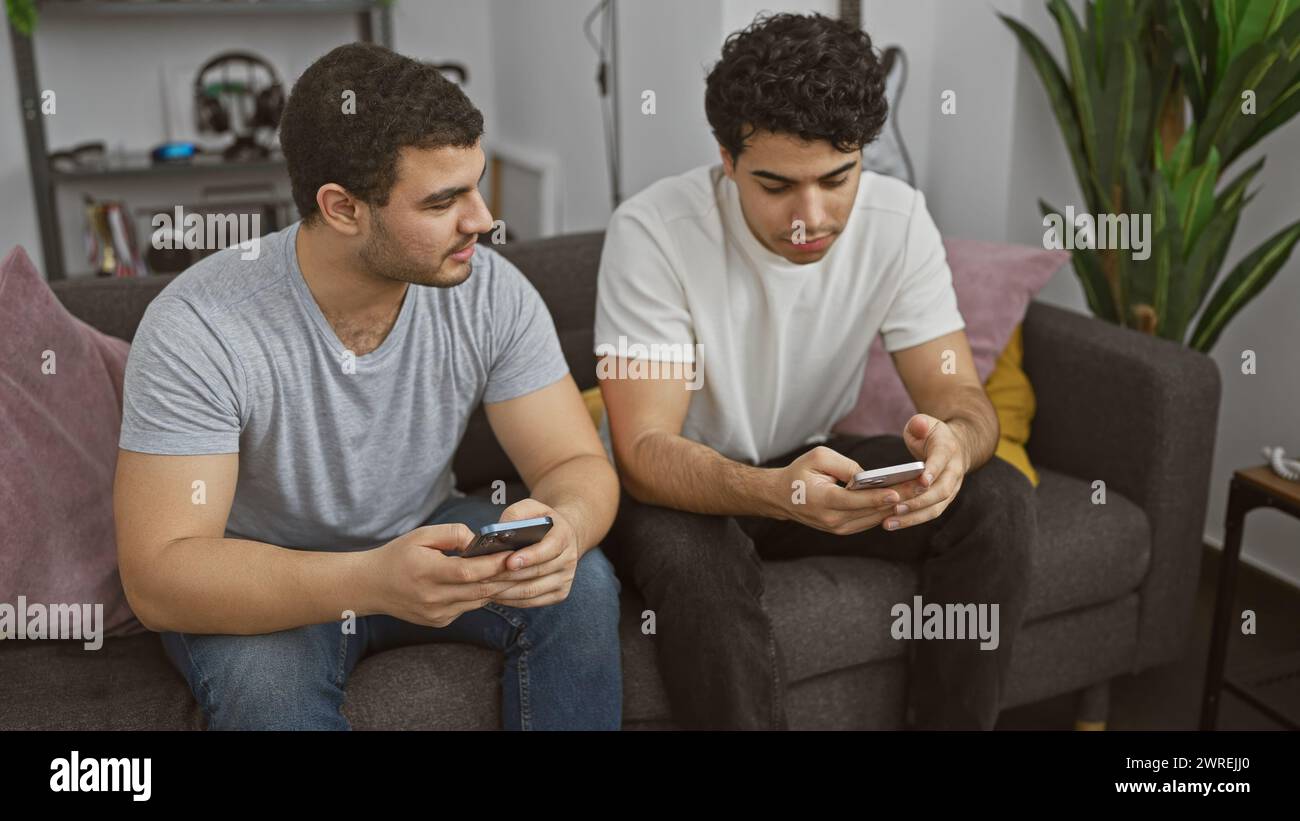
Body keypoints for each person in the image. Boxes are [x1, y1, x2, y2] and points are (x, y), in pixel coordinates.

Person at [113, 42, 622, 731]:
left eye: (475, 185)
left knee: (583, 585)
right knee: (270, 694)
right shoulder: (199, 325)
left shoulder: (490, 288)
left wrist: (566, 527)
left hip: (425, 531)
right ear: (343, 208)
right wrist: (376, 579)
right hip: (265, 574)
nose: (481, 219)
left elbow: (573, 463)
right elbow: (160, 576)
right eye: (444, 200)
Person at [595, 13, 1035, 730]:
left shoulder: (900, 220)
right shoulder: (652, 233)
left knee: (997, 497)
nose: (810, 216)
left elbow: (959, 394)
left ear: (863, 153)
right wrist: (772, 493)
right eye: (776, 185)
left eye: (838, 178)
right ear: (727, 159)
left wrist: (957, 444)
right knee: (698, 566)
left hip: (809, 458)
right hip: (679, 483)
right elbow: (644, 452)